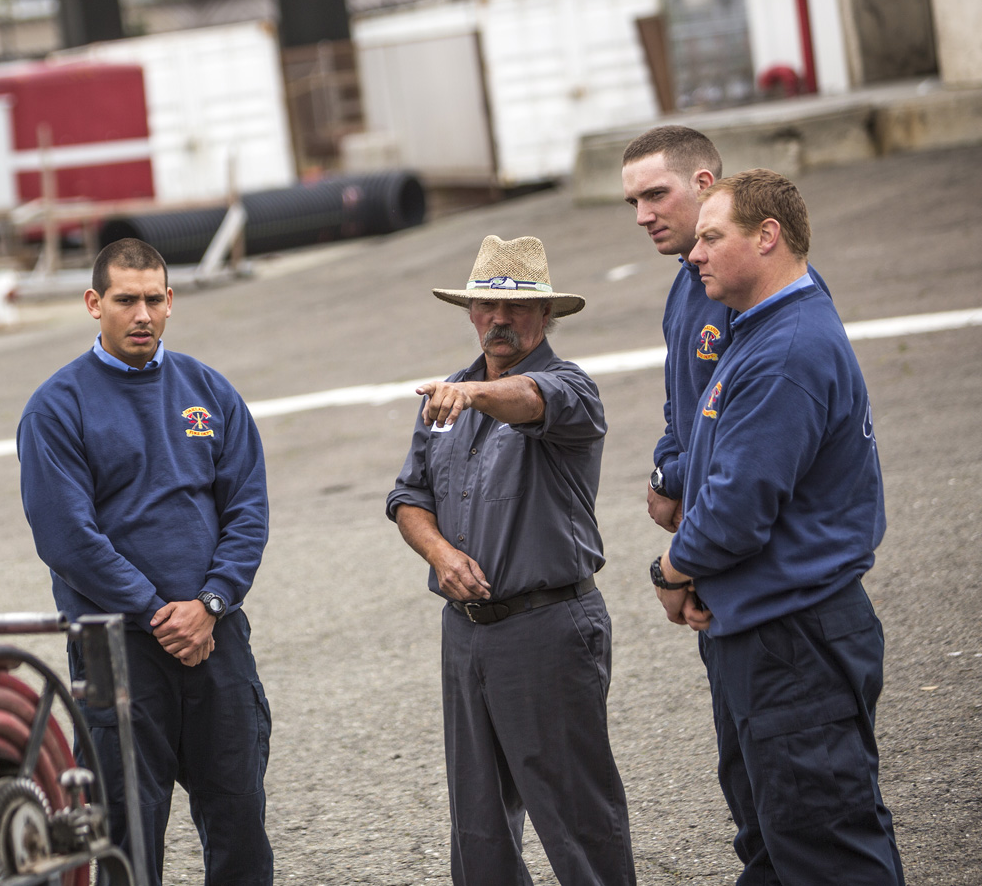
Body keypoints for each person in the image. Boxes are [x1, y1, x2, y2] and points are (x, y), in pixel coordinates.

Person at [651, 171, 902, 882]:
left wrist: (671, 568)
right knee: (772, 841)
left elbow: (736, 506)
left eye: (710, 236)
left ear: (767, 236)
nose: (693, 254)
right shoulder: (758, 331)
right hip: (762, 629)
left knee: (824, 846)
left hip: (792, 638)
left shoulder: (785, 349)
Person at [18, 238, 272, 886]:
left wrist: (212, 602)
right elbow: (67, 537)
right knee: (126, 834)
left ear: (170, 302)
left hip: (216, 637)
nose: (141, 314)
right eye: (125, 299)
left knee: (239, 814)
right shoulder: (57, 407)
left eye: (153, 299)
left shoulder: (208, 391)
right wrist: (157, 610)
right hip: (117, 648)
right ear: (92, 303)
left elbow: (246, 510)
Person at [386, 235, 635, 886]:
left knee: (577, 817)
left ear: (545, 315)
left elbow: (528, 399)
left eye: (514, 309)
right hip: (465, 630)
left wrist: (472, 395)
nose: (497, 320)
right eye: (484, 307)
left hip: (546, 625)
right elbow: (407, 498)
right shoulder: (446, 395)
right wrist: (439, 553)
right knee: (478, 825)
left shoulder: (567, 385)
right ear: (469, 311)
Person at [621, 126, 829, 535]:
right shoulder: (685, 283)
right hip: (711, 523)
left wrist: (672, 481)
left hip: (763, 531)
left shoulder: (759, 288)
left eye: (656, 195)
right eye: (634, 201)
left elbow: (749, 428)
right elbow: (680, 404)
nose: (642, 216)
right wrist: (667, 465)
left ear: (703, 185)